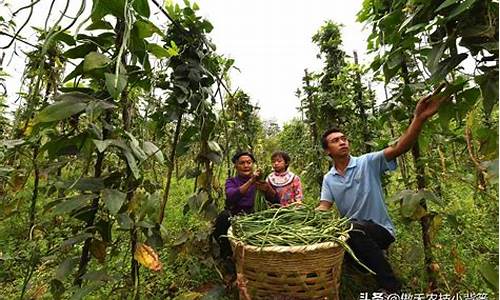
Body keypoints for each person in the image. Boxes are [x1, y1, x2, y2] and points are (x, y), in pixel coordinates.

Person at [316, 86, 448, 294]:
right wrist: (307, 222)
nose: (342, 142)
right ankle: (363, 276)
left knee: (352, 228)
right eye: (335, 141)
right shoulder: (329, 179)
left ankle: (393, 288)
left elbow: (399, 148)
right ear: (327, 151)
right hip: (352, 235)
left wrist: (419, 118)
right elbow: (324, 206)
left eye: (344, 138)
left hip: (380, 230)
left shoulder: (367, 162)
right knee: (337, 243)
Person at [213, 151, 279, 260]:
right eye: (242, 163)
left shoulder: (261, 181)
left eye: (249, 162)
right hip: (236, 216)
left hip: (256, 216)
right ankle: (227, 256)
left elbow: (276, 200)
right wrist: (251, 181)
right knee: (223, 217)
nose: (246, 165)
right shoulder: (232, 181)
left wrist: (268, 189)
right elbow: (231, 196)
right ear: (236, 166)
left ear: (252, 164)